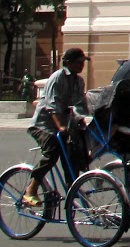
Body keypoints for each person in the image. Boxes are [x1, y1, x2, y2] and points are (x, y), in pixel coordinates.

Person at [22, 47, 89, 208]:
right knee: (53, 151)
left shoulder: (79, 81)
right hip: (43, 125)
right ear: (68, 63)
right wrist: (60, 127)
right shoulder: (57, 78)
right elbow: (52, 106)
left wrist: (81, 121)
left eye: (83, 63)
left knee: (75, 155)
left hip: (64, 125)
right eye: (78, 62)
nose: (81, 66)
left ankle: (72, 189)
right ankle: (31, 189)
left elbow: (80, 106)